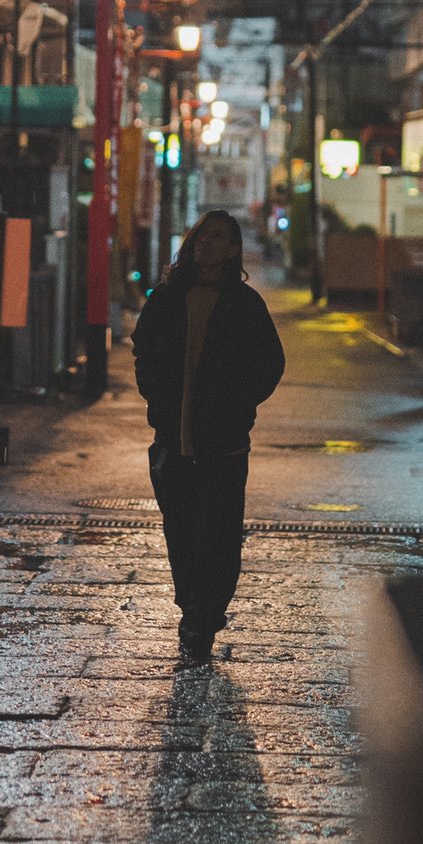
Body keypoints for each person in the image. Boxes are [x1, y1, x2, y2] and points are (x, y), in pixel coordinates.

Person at [131, 210, 285, 663]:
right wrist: (154, 396)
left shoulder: (244, 304)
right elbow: (144, 348)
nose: (206, 244)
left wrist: (239, 408)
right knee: (180, 529)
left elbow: (270, 363)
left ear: (232, 249)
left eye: (218, 237)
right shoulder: (166, 297)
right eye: (202, 235)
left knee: (218, 533)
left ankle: (206, 617)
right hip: (171, 438)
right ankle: (190, 609)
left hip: (224, 443)